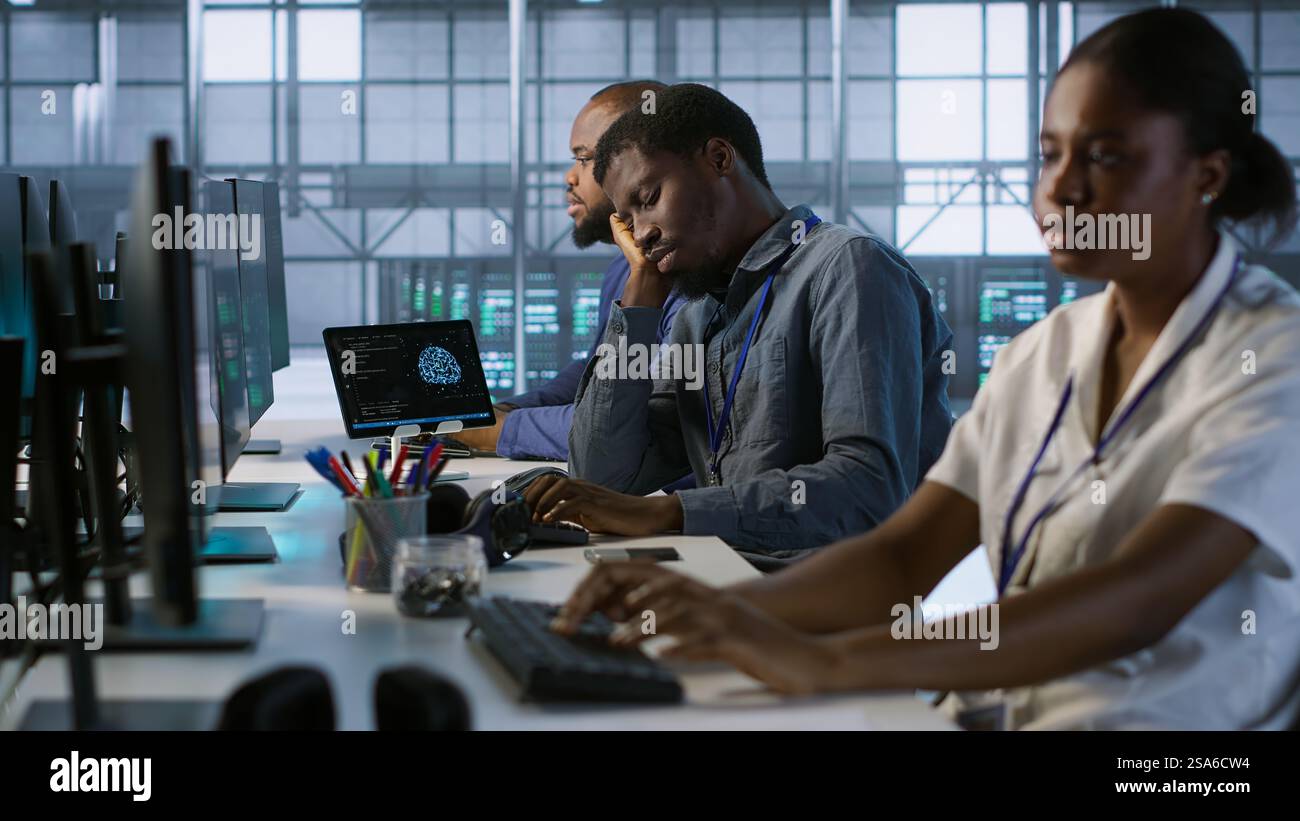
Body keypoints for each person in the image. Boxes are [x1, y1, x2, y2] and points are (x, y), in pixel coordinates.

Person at [549, 8, 1300, 730]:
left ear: (1207, 175)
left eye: (1104, 156)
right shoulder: (1045, 354)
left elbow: (1137, 598)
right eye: (1049, 154)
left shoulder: (1272, 356)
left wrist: (817, 658)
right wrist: (719, 610)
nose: (1061, 188)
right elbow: (907, 552)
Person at [525, 83, 953, 562]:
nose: (642, 234)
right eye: (627, 219)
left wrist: (671, 514)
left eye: (649, 198)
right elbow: (602, 473)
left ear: (719, 159)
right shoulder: (698, 314)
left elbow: (867, 487)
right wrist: (640, 294)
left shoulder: (849, 269)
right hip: (733, 575)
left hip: (831, 603)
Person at [452, 80, 685, 461]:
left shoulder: (692, 280)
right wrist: (506, 413)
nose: (569, 177)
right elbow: (598, 372)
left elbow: (630, 421)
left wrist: (500, 432)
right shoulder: (620, 272)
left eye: (583, 157)